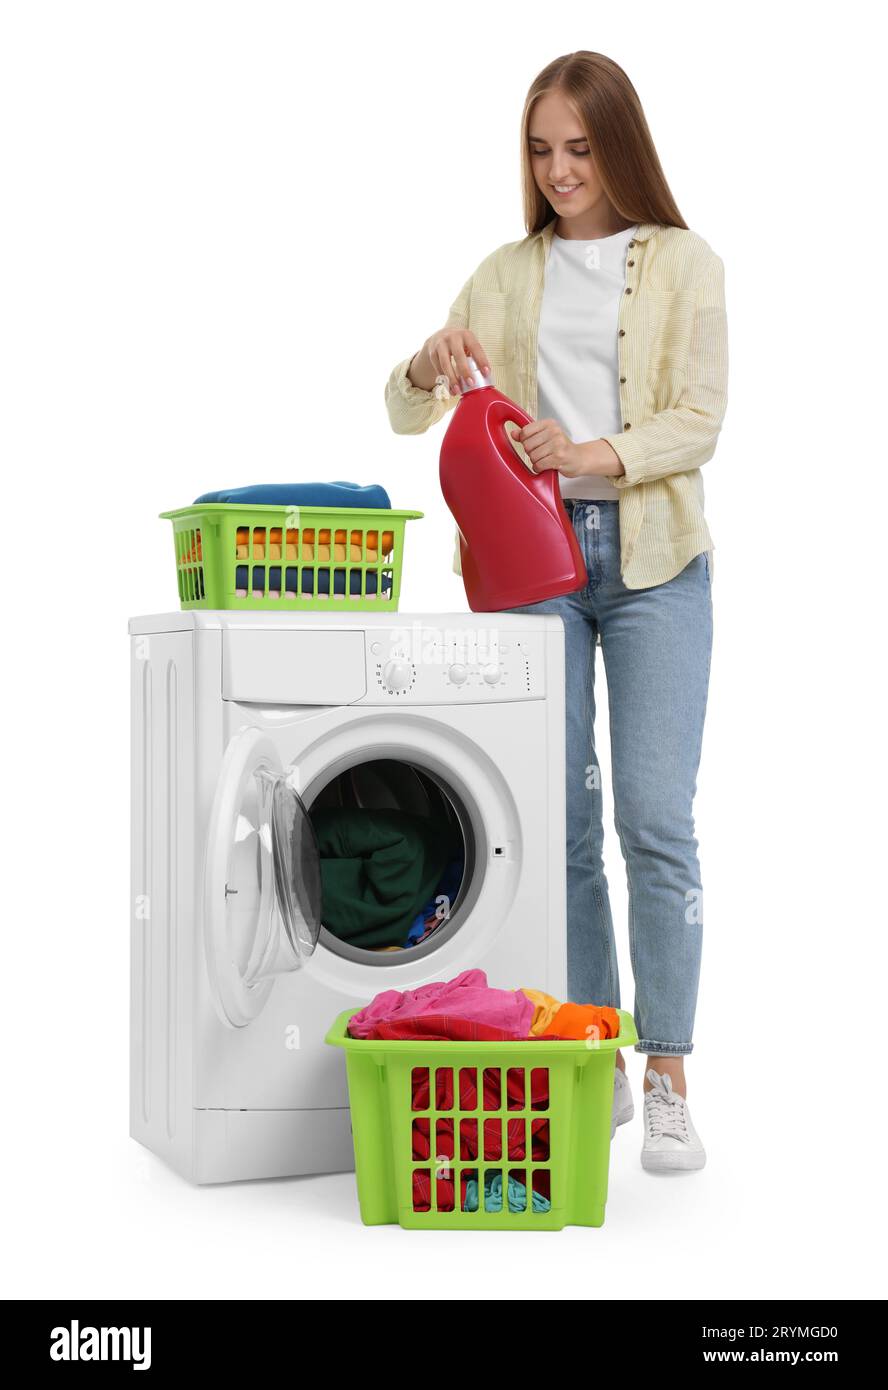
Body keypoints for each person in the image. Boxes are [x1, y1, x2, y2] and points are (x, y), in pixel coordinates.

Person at [384, 51, 728, 1172]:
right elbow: (401, 407)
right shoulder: (502, 272)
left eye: (580, 148)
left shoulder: (683, 262)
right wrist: (429, 360)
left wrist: (593, 454)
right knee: (563, 821)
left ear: (618, 146)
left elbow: (700, 419)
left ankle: (668, 1069)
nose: (561, 169)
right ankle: (597, 1060)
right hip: (530, 572)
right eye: (543, 150)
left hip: (655, 563)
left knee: (654, 819)